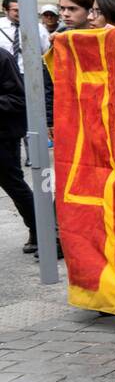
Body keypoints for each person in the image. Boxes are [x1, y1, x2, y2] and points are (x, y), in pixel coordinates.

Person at [0, 46, 36, 254]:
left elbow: (19, 99)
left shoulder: (3, 58)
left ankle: (38, 230)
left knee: (14, 185)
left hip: (3, 136)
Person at [0, 0, 52, 76]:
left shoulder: (37, 27)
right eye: (16, 10)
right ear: (5, 10)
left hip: (29, 74)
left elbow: (48, 51)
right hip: (4, 75)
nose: (20, 13)